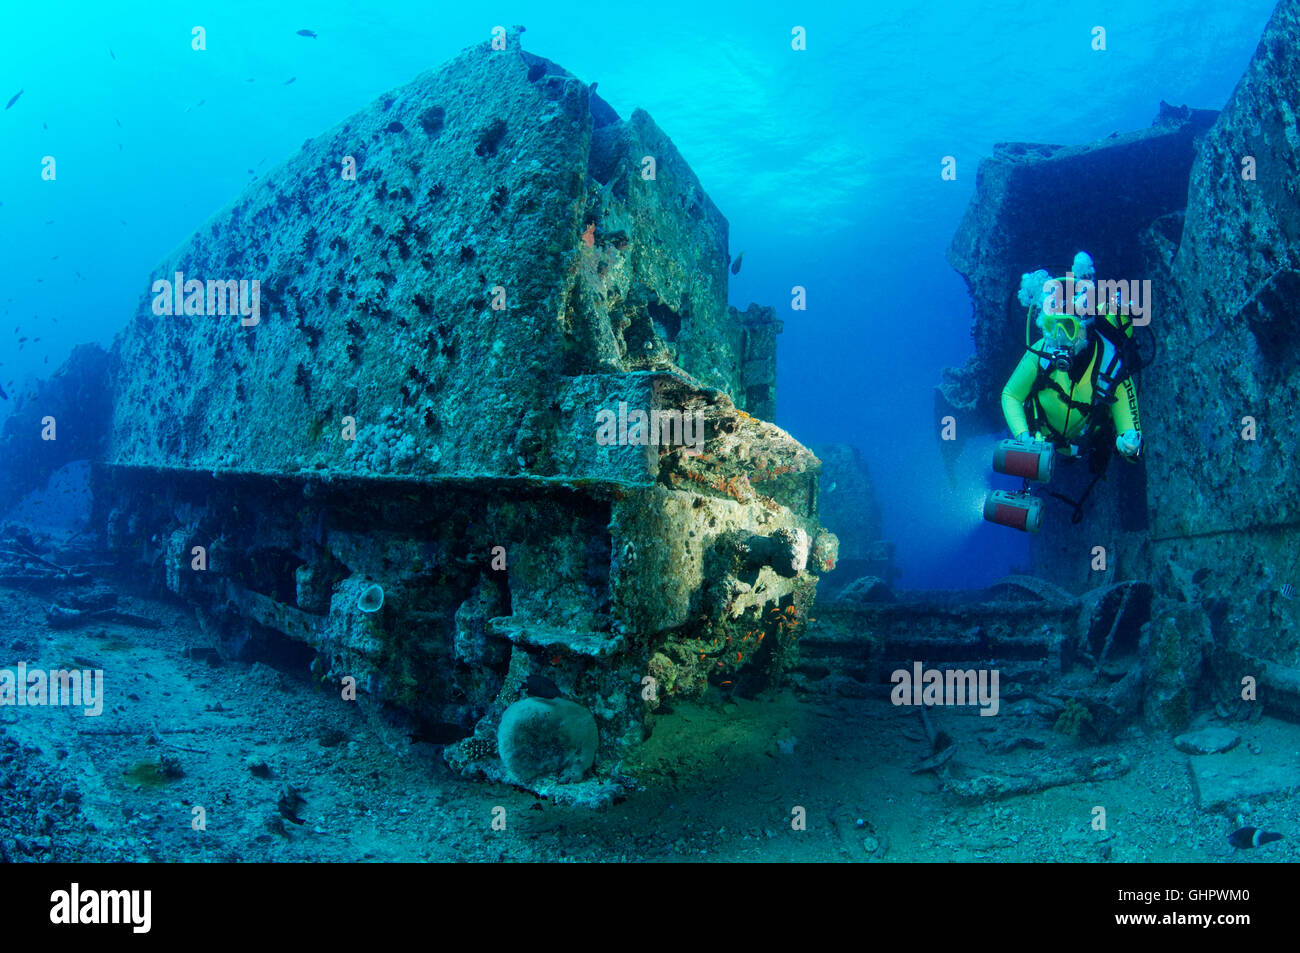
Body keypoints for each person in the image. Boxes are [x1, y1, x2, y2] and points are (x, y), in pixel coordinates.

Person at [1000, 252, 1142, 464]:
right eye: (1051, 326)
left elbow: (1133, 445)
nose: (1059, 338)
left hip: (1087, 444)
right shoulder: (1041, 353)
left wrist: (1129, 446)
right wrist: (1023, 437)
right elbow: (1011, 395)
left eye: (1068, 327)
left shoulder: (1111, 367)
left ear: (1086, 327)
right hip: (1042, 440)